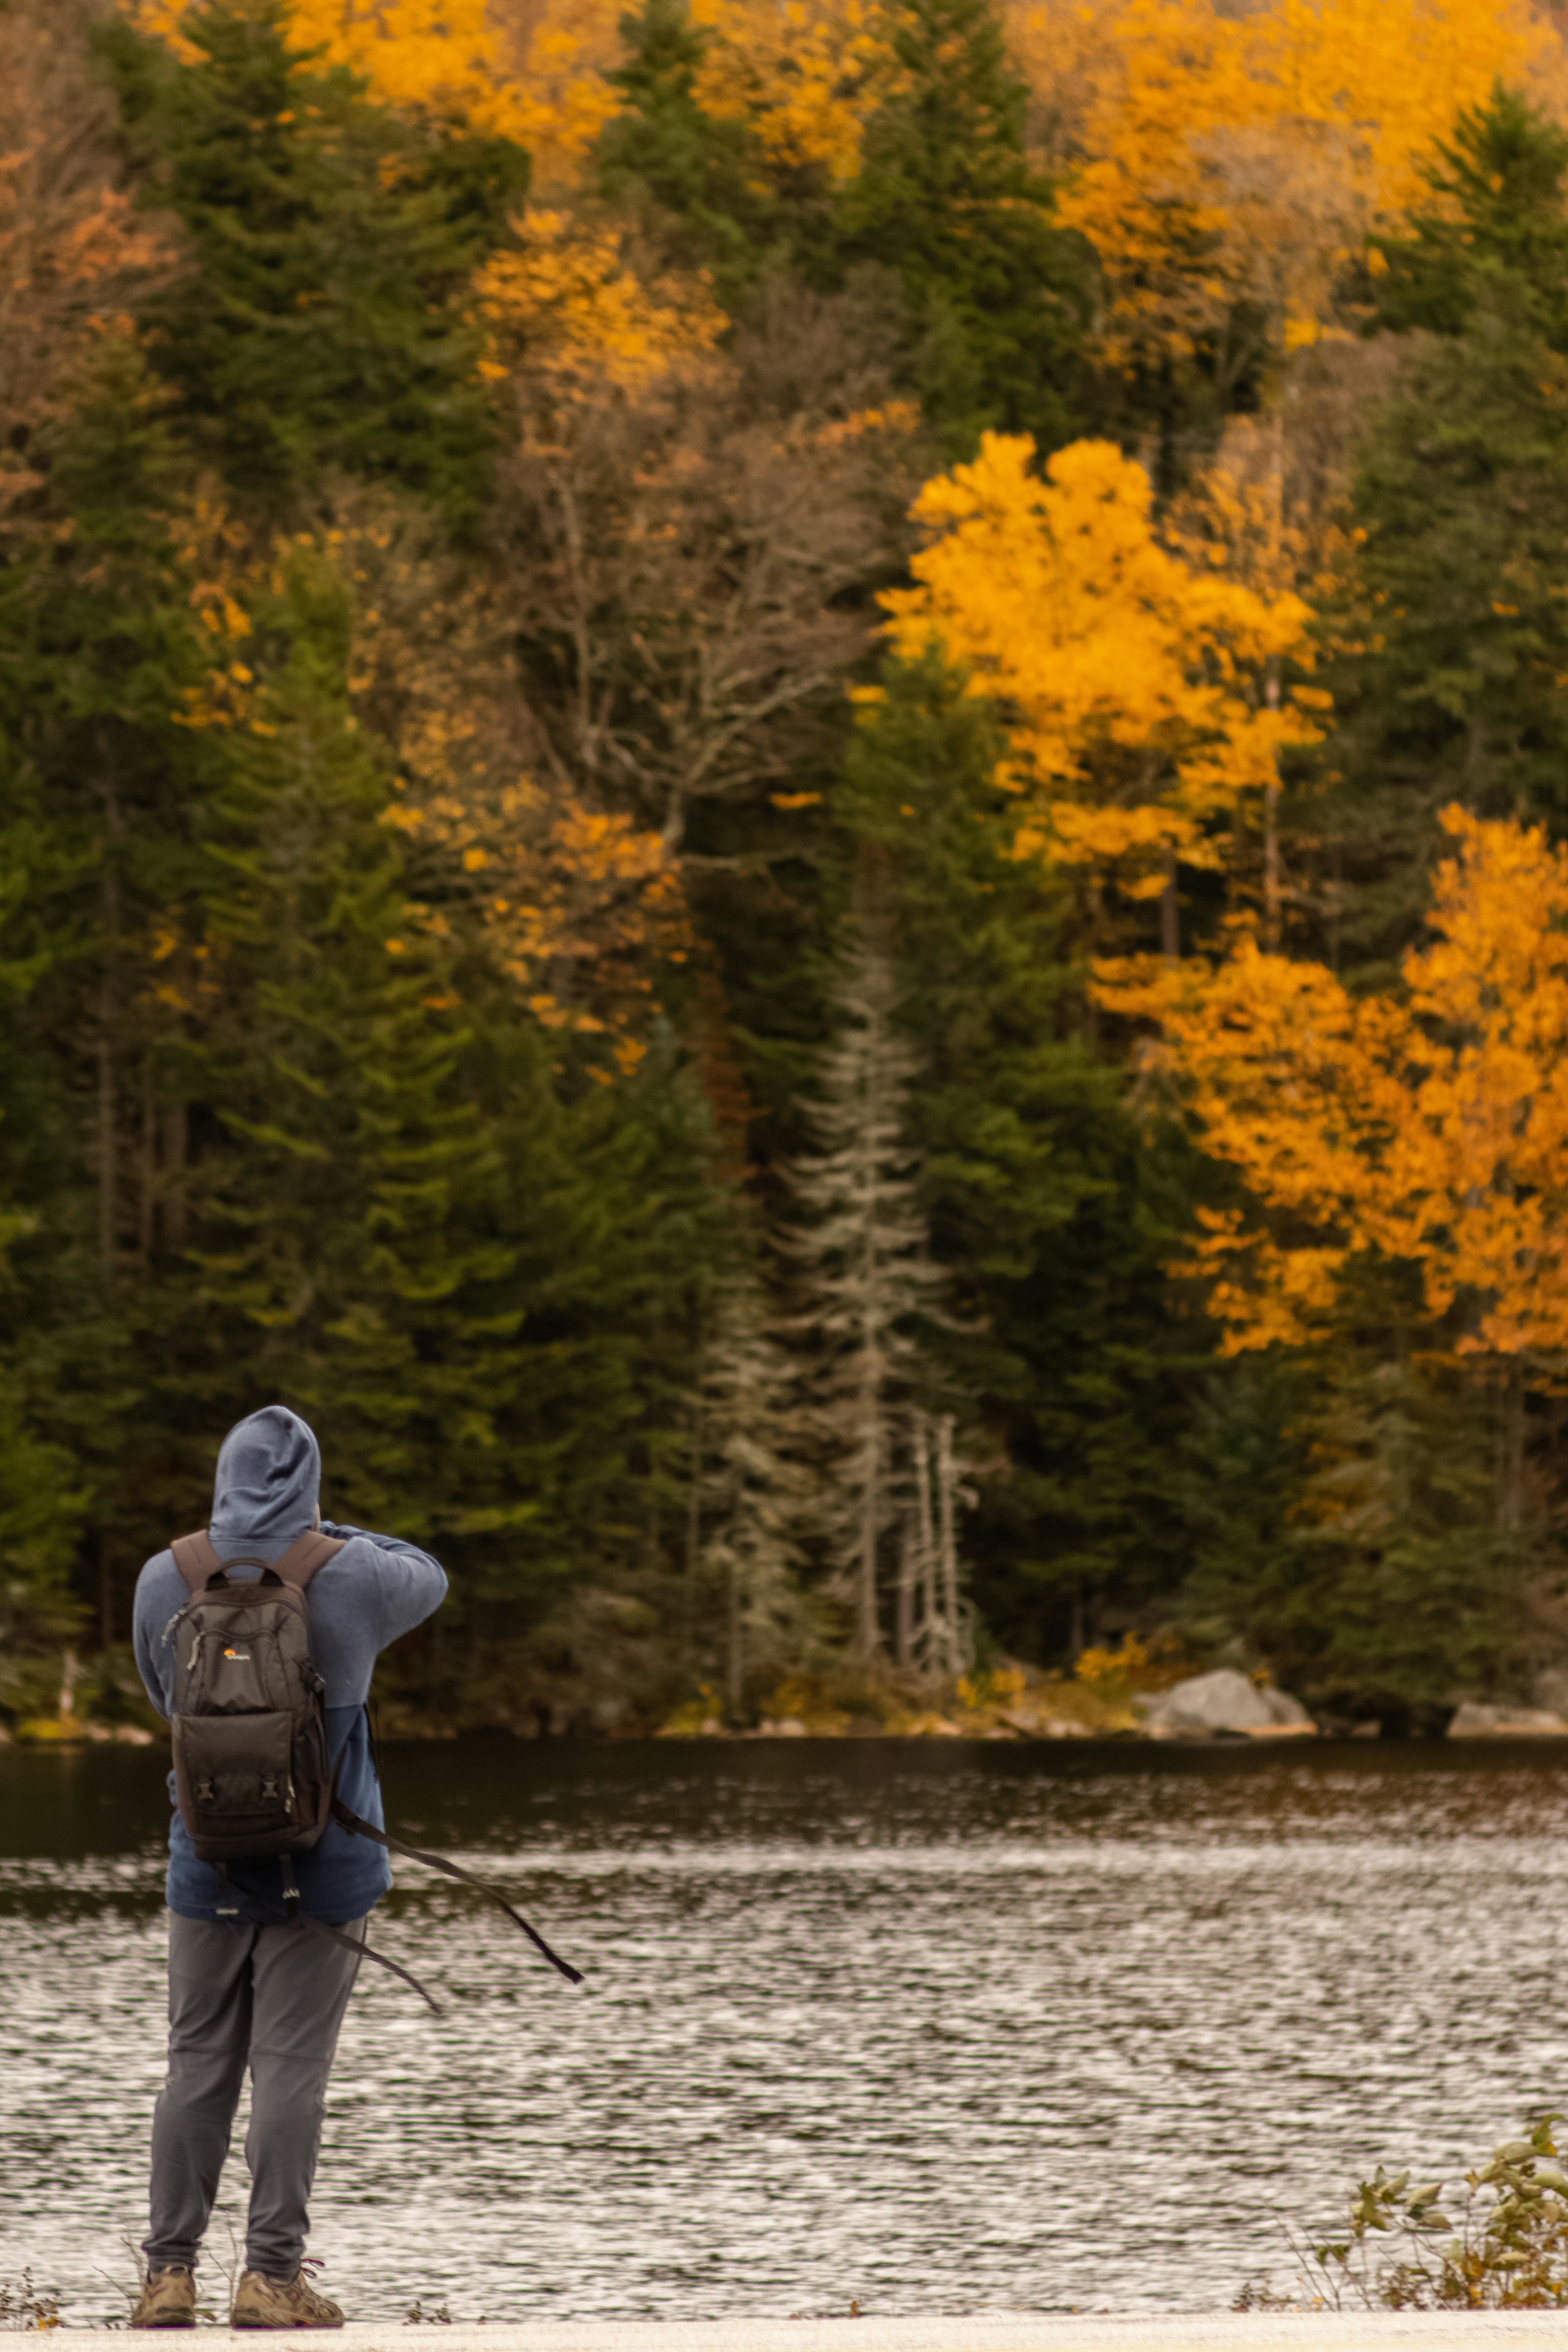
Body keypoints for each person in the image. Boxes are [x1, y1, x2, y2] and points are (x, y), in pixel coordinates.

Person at [128, 1406, 446, 2330]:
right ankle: (270, 2280)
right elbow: (433, 1572)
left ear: (224, 1475)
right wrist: (330, 1532)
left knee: (194, 2069)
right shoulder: (353, 1573)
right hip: (328, 1866)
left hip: (205, 1862)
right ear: (309, 1484)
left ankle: (167, 2278)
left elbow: (165, 1700)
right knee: (291, 2074)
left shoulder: (167, 1574)